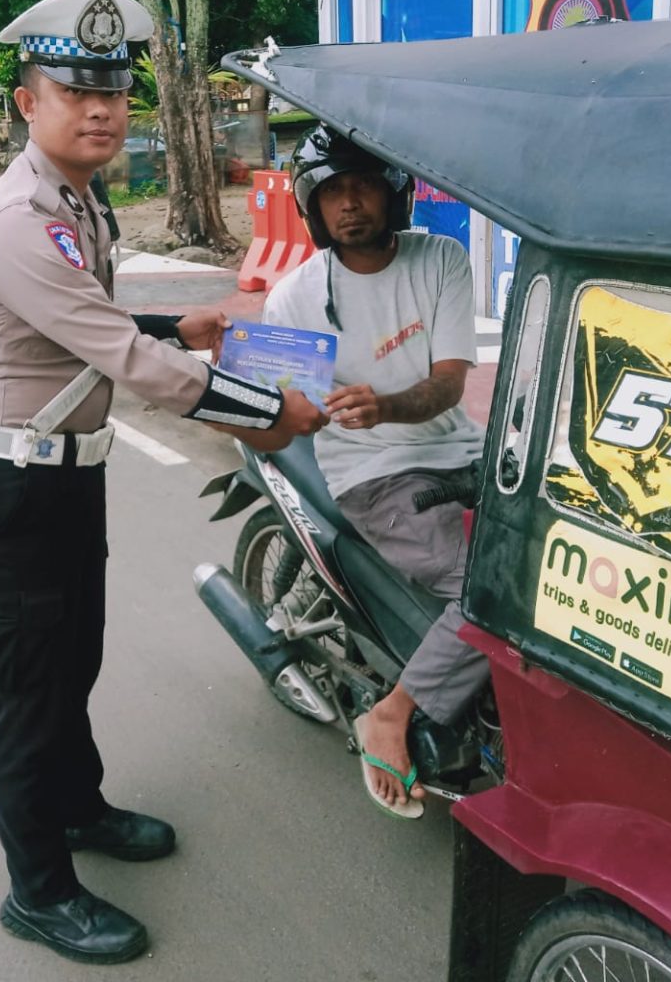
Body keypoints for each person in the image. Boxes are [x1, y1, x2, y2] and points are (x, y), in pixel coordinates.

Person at [0, 0, 326, 966]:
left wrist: (174, 324)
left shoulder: (75, 199)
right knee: (31, 696)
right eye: (76, 92)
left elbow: (87, 329)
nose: (104, 110)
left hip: (67, 483)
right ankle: (38, 893)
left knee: (75, 664)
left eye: (114, 91)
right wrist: (263, 418)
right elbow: (131, 365)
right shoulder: (18, 219)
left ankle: (77, 808)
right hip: (13, 496)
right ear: (28, 102)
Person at [264, 125, 489, 821]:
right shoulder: (294, 299)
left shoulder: (441, 259)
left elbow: (449, 384)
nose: (349, 204)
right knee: (492, 589)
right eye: (332, 192)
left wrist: (388, 403)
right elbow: (278, 407)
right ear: (312, 206)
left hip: (462, 449)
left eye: (362, 185)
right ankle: (391, 714)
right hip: (373, 473)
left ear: (393, 193)